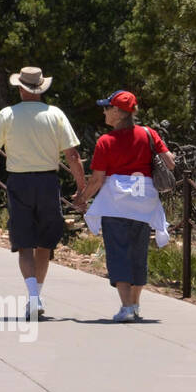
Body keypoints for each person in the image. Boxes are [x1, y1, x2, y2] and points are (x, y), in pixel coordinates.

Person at [0, 66, 87, 321]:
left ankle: (32, 297)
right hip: (48, 182)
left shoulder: (7, 114)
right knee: (45, 243)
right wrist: (81, 188)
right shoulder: (56, 115)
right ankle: (36, 295)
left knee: (24, 242)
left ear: (20, 88)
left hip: (19, 182)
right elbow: (72, 155)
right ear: (41, 89)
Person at [75, 90, 177, 322]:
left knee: (118, 252)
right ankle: (136, 304)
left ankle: (126, 306)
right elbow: (170, 163)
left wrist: (83, 198)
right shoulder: (148, 133)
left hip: (116, 203)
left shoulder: (106, 141)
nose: (104, 112)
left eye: (107, 108)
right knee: (138, 252)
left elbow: (98, 179)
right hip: (144, 202)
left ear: (118, 113)